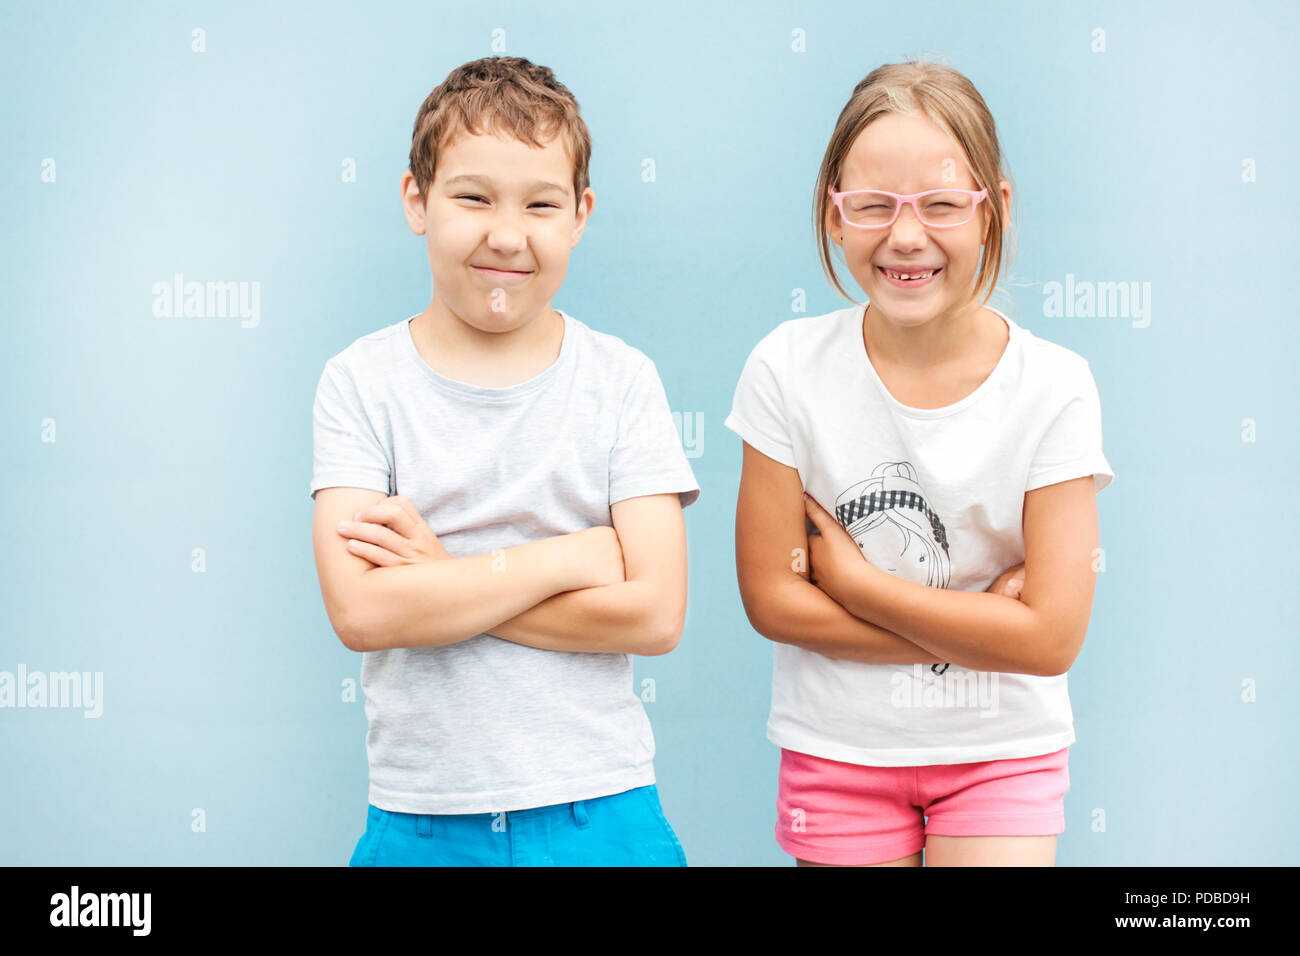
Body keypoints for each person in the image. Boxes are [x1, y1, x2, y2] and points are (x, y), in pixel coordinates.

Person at [309, 56, 698, 866]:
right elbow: (363, 614)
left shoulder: (623, 380)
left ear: (581, 215)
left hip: (603, 813)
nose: (508, 234)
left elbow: (657, 614)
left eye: (542, 204)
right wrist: (571, 558)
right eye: (474, 196)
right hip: (420, 820)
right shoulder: (359, 383)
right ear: (417, 200)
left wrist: (443, 577)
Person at [724, 59, 1113, 867]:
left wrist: (863, 590)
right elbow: (772, 599)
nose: (906, 236)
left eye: (941, 205)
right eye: (872, 205)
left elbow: (1051, 639)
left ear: (992, 211)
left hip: (1001, 751)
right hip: (839, 752)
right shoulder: (785, 370)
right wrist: (990, 625)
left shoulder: (1055, 386)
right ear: (834, 213)